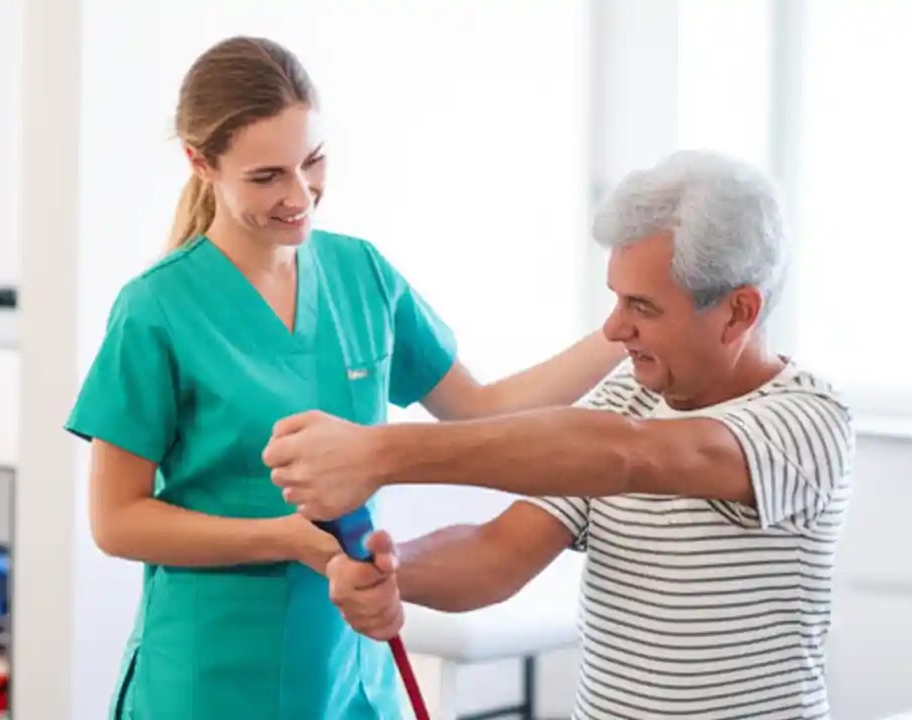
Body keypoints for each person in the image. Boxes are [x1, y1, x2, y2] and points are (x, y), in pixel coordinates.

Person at [64, 35, 625, 719]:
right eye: (266, 176)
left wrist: (619, 333)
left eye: (313, 161)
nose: (300, 195)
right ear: (200, 162)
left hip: (346, 674)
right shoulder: (156, 309)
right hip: (209, 679)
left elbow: (480, 410)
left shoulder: (362, 276)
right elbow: (117, 521)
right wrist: (283, 537)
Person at [265, 150, 856, 719]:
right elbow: (499, 553)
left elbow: (627, 455)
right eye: (616, 298)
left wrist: (380, 452)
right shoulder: (630, 395)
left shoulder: (806, 419)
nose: (614, 327)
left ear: (738, 312)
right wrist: (393, 572)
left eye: (643, 307)